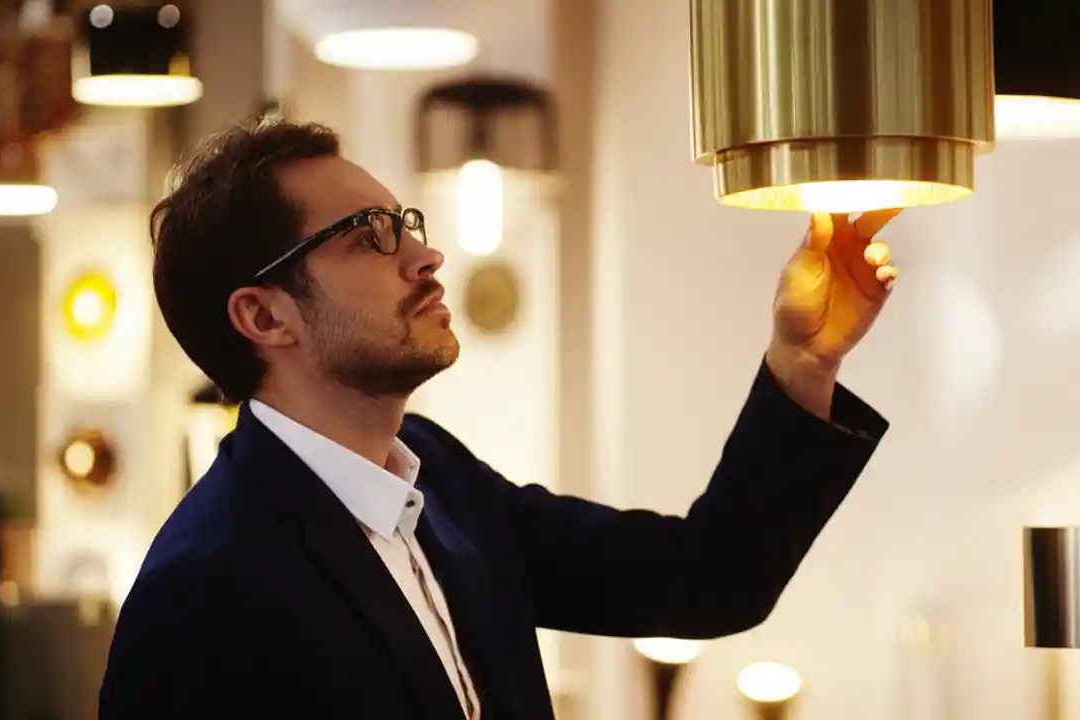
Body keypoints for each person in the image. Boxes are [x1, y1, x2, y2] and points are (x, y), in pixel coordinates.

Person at [98, 119, 900, 719]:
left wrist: (805, 363)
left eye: (405, 221)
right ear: (265, 318)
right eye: (368, 236)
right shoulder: (204, 587)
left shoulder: (435, 474)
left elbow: (705, 579)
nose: (425, 255)